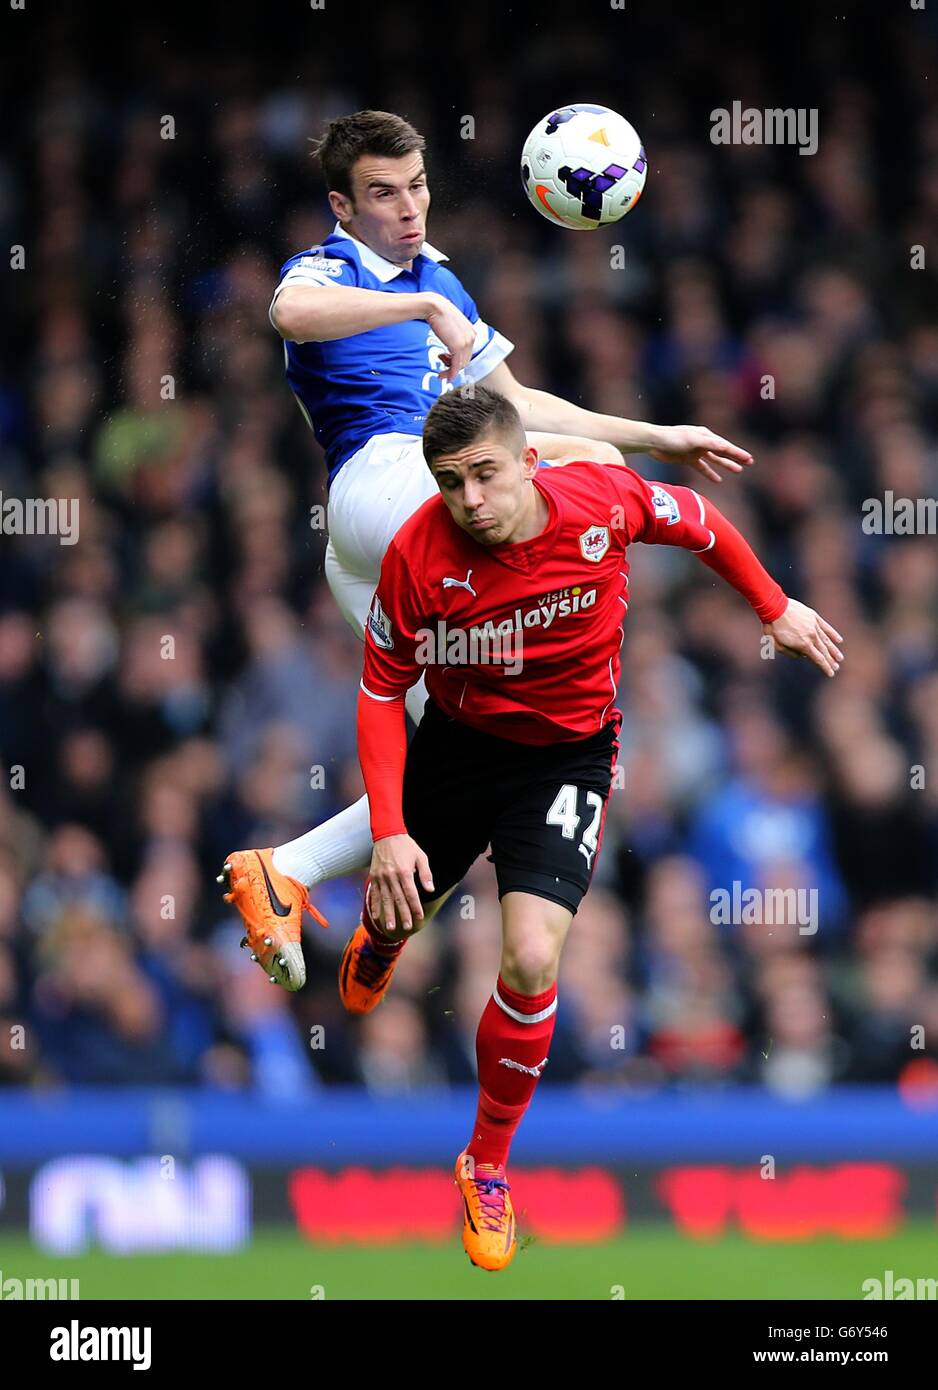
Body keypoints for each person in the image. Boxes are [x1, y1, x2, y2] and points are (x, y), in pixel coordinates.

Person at [220, 109, 757, 990]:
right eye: (382, 194)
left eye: (417, 186)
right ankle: (577, 654)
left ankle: (284, 871)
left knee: (458, 744)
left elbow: (519, 403)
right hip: (384, 483)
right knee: (588, 481)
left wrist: (657, 432)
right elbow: (289, 311)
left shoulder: (443, 280)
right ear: (342, 205)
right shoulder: (336, 270)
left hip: (385, 541)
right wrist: (422, 304)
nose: (407, 208)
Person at [346, 385, 843, 1270]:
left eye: (486, 476)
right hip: (461, 746)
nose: (470, 501)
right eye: (450, 482)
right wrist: (389, 830)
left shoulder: (598, 501)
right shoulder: (418, 554)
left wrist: (776, 608)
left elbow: (698, 521)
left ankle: (486, 1164)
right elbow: (383, 689)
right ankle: (386, 938)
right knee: (397, 910)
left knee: (534, 957)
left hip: (567, 758)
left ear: (530, 460)